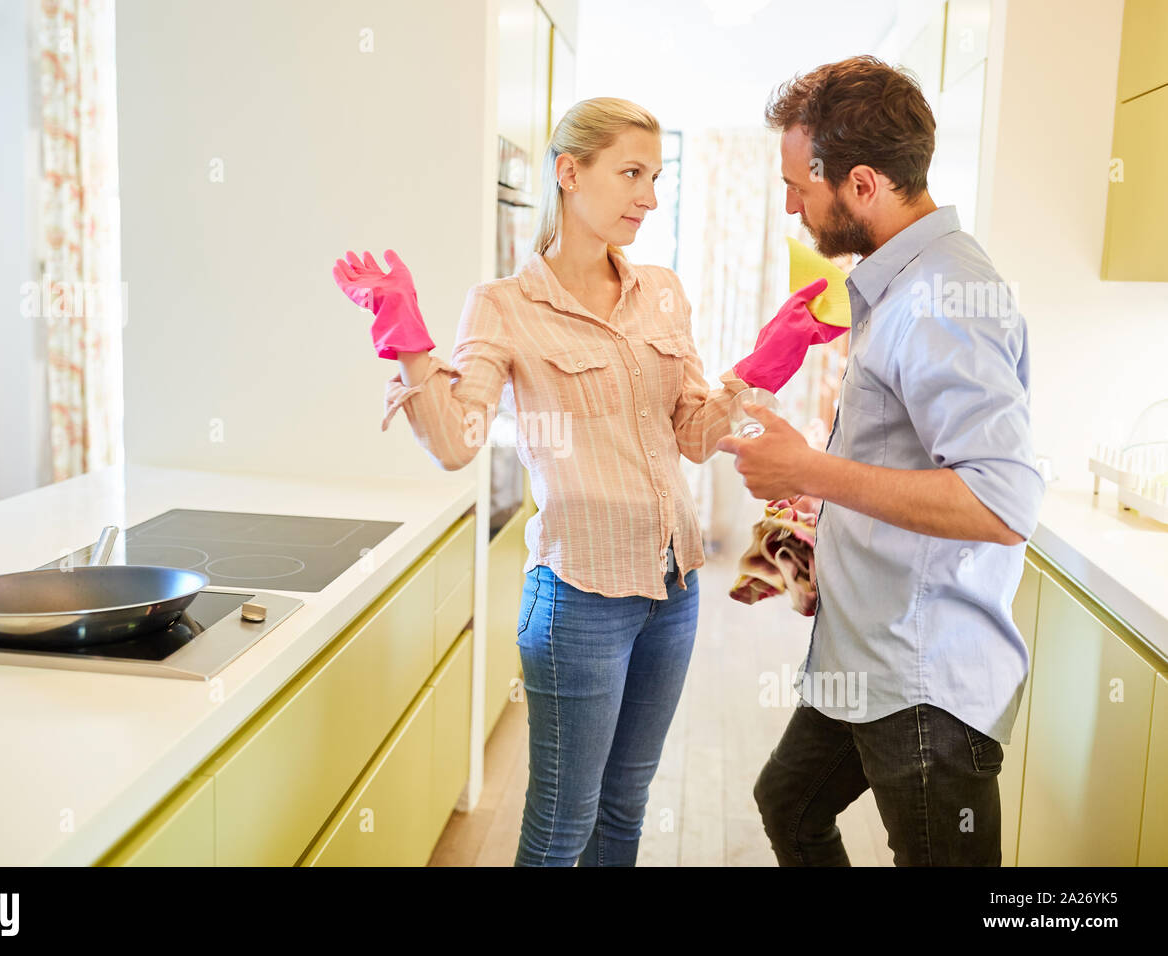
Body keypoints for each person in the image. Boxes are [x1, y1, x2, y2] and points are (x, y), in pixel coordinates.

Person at [334, 97, 841, 866]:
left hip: (673, 590)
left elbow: (695, 439)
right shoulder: (504, 307)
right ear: (569, 174)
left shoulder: (663, 291)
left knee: (626, 803)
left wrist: (758, 367)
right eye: (631, 173)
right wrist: (408, 340)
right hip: (578, 600)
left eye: (656, 176)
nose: (649, 195)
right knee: (561, 822)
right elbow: (457, 443)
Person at [719, 56, 1045, 866]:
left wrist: (809, 473)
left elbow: (1000, 505)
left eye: (801, 186)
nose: (791, 204)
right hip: (866, 655)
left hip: (922, 683)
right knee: (789, 805)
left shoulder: (941, 300)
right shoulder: (902, 288)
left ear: (862, 183)